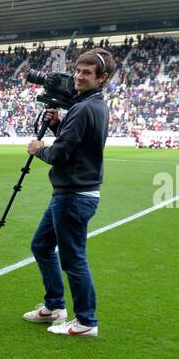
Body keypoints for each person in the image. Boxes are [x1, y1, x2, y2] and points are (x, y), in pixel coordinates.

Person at [23, 48, 114, 338]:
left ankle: (86, 320)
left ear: (102, 78)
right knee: (41, 245)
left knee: (74, 259)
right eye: (77, 71)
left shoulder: (85, 107)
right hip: (71, 192)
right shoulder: (93, 105)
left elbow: (61, 154)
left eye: (87, 73)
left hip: (74, 195)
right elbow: (76, 143)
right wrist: (57, 125)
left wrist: (39, 150)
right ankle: (55, 306)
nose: (78, 76)